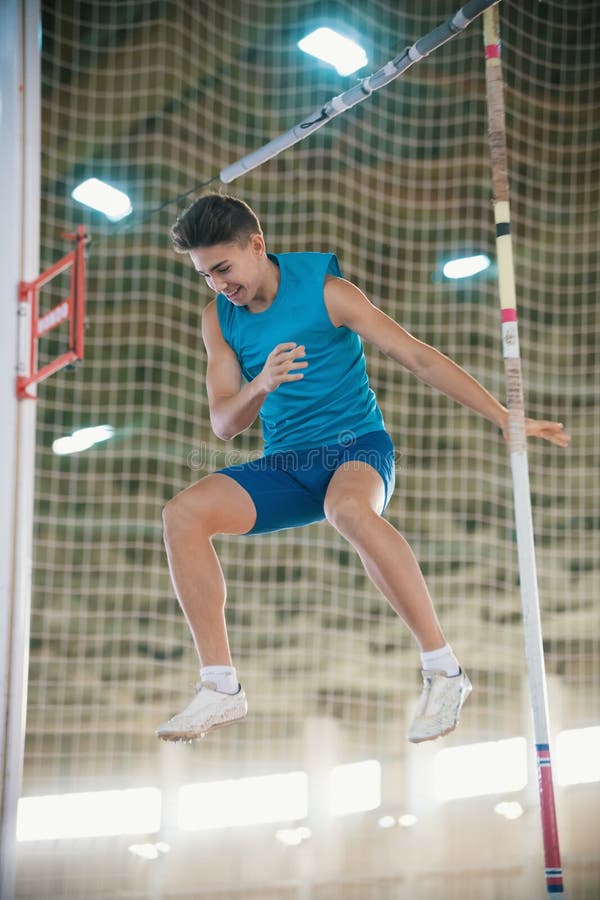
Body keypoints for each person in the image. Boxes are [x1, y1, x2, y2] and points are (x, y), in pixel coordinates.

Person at [156, 193, 569, 744]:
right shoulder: (219, 319)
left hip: (358, 449)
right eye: (206, 275)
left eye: (224, 268)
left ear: (256, 245)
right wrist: (260, 384)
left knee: (345, 508)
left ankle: (445, 672)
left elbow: (417, 356)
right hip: (289, 465)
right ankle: (220, 686)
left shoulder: (330, 293)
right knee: (183, 514)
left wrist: (500, 415)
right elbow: (224, 424)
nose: (219, 284)